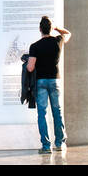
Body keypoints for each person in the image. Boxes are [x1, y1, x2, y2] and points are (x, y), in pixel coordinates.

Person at [26, 16, 71, 153]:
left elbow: (30, 68)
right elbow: (68, 33)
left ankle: (46, 147)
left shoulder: (35, 46)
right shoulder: (58, 41)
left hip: (41, 82)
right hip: (55, 80)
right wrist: (57, 27)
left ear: (40, 29)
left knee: (42, 114)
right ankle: (60, 144)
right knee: (57, 112)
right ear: (51, 28)